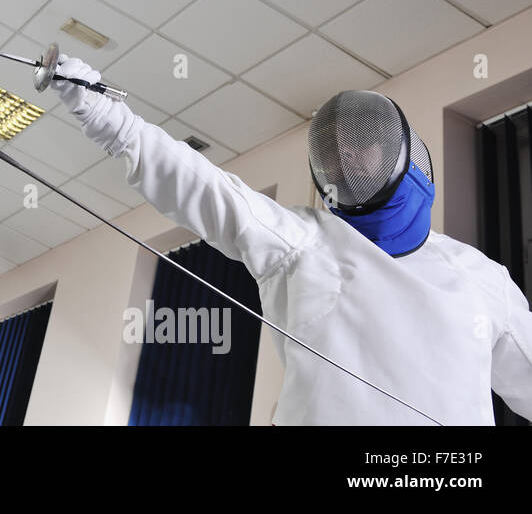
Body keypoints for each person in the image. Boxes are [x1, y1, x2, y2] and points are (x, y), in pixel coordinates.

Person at [49, 55, 532, 425]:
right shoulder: (304, 243)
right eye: (337, 155)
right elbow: (209, 191)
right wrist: (107, 116)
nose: (348, 160)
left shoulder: (479, 277)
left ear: (398, 152)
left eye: (363, 146)